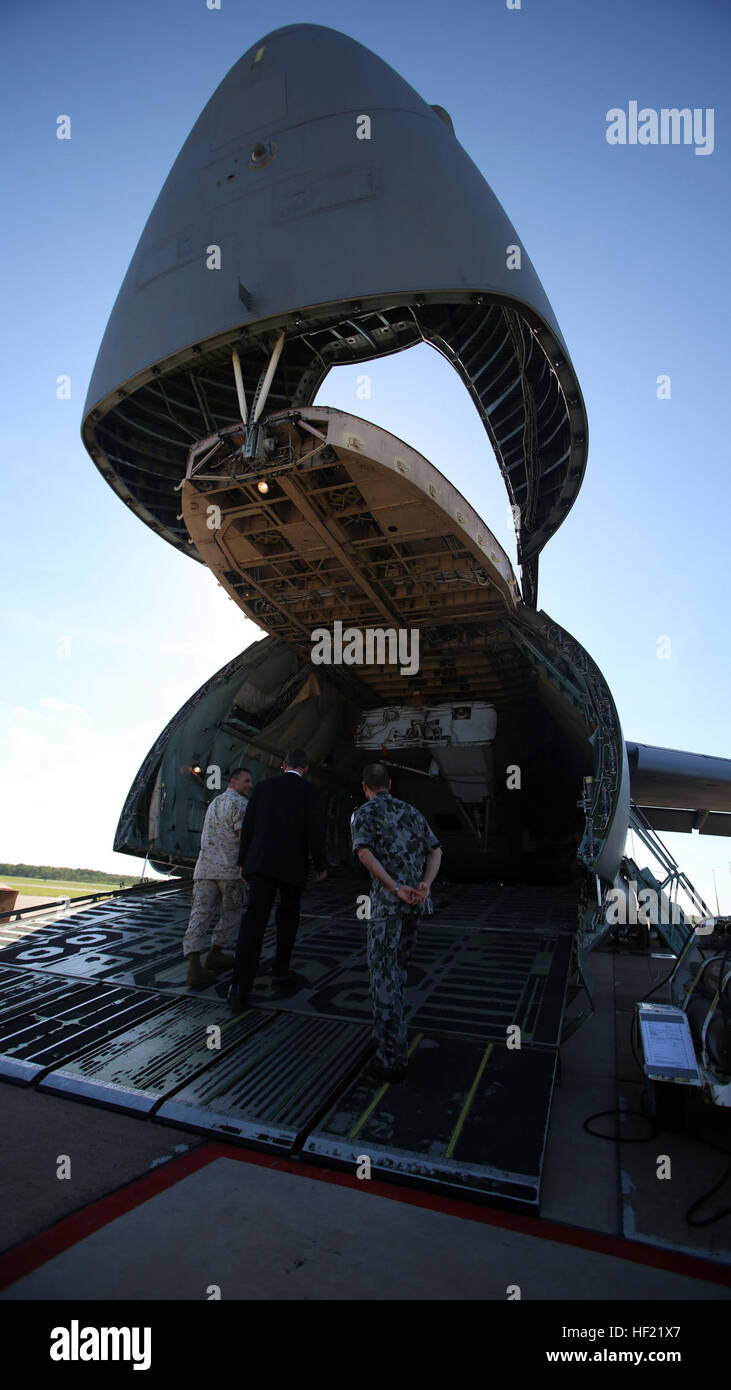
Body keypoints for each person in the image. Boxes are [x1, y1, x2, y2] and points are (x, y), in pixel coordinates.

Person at [350, 763, 442, 1083]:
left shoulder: (363, 813)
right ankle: (396, 1035)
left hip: (389, 907)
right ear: (389, 784)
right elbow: (436, 850)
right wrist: (425, 885)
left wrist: (394, 888)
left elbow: (364, 854)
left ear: (366, 786)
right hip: (416, 906)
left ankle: (390, 1058)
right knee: (399, 973)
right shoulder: (413, 813)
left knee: (382, 977)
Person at [228, 749, 327, 1009]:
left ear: (284, 765)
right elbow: (316, 832)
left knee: (253, 923)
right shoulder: (311, 793)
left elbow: (249, 826)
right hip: (292, 867)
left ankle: (239, 986)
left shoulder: (262, 788)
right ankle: (281, 971)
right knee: (288, 920)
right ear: (305, 769)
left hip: (260, 865)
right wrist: (320, 865)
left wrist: (243, 864)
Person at [182, 768, 252, 987]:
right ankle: (215, 952)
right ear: (234, 781)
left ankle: (194, 965)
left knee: (200, 914)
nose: (250, 785)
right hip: (229, 872)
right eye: (246, 780)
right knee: (231, 913)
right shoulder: (241, 804)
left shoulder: (214, 803)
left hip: (204, 870)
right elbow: (244, 839)